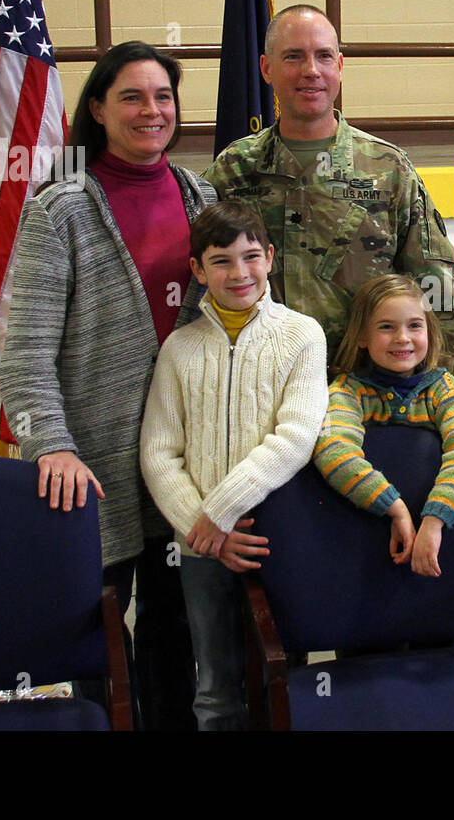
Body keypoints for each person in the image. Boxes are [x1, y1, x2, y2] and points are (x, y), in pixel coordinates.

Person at [0, 41, 213, 731]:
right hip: (94, 467)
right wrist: (50, 448)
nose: (151, 111)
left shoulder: (202, 197)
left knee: (176, 627)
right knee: (94, 635)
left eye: (163, 97)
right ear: (97, 108)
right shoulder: (58, 210)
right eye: (132, 97)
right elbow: (23, 354)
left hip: (186, 463)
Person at [204, 4, 454, 412]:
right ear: (266, 68)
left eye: (322, 56)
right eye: (293, 56)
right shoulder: (234, 171)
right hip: (262, 396)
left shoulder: (388, 170)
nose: (310, 71)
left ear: (339, 66)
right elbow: (201, 282)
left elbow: (436, 289)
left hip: (370, 398)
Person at [140, 201, 327, 729]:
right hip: (199, 544)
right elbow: (159, 451)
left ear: (269, 257)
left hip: (274, 532)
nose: (239, 273)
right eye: (221, 261)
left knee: (283, 671)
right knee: (215, 688)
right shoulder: (179, 348)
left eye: (250, 257)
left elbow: (296, 436)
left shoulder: (302, 335)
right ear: (198, 270)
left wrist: (220, 513)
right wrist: (202, 528)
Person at [314, 274, 454, 577]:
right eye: (386, 327)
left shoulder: (445, 389)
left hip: (439, 538)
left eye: (414, 325)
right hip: (363, 546)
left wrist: (434, 520)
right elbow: (333, 449)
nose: (402, 337)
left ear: (429, 332)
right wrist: (394, 508)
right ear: (361, 336)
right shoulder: (346, 392)